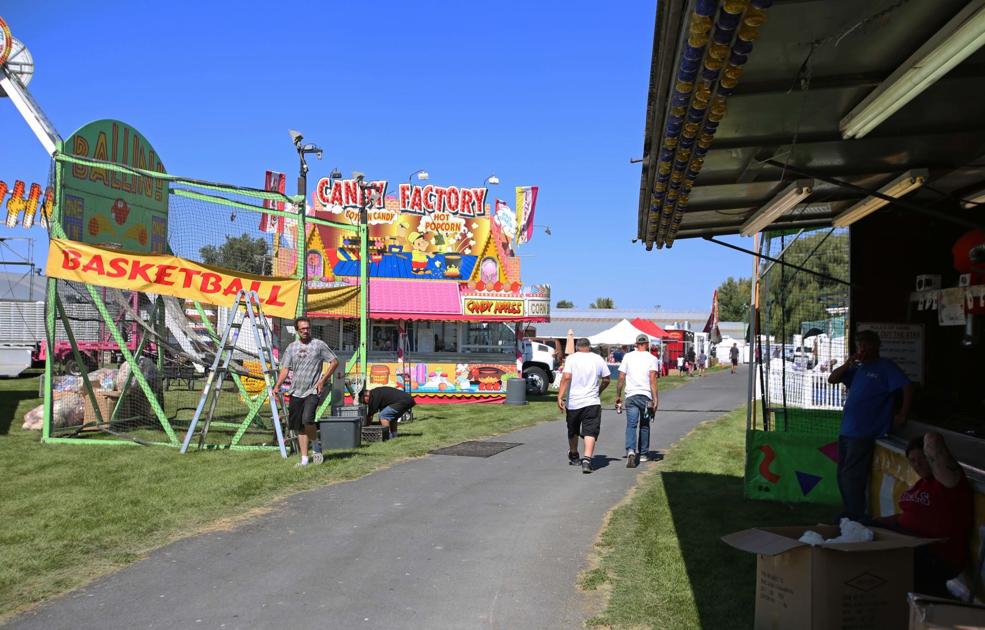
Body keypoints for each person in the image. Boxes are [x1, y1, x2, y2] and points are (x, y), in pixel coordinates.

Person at [827, 329, 913, 521]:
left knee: (852, 476)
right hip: (847, 430)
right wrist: (848, 363)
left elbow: (907, 387)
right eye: (860, 345)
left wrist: (902, 413)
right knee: (843, 474)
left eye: (866, 345)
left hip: (864, 431)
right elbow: (832, 379)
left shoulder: (885, 367)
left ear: (876, 346)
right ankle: (849, 512)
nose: (863, 349)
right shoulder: (857, 368)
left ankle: (855, 515)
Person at [877, 432, 973, 597]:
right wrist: (877, 522)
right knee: (853, 521)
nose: (918, 465)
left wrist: (927, 438)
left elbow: (933, 440)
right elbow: (907, 516)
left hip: (937, 554)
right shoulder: (920, 484)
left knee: (892, 560)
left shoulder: (948, 481)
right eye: (913, 461)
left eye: (922, 458)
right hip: (912, 542)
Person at [274, 317, 339, 467]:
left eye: (307, 328)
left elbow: (334, 361)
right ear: (297, 331)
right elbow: (285, 369)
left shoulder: (318, 345)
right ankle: (304, 459)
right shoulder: (291, 347)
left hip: (313, 390)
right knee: (299, 427)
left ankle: (315, 445)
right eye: (302, 329)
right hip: (296, 391)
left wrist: (322, 380)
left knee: (308, 420)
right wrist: (277, 385)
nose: (305, 331)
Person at [557, 338, 610, 474]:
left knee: (573, 429)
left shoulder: (572, 358)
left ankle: (574, 454)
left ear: (577, 347)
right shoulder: (598, 359)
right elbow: (606, 379)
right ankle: (587, 460)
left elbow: (566, 377)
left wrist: (560, 396)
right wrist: (599, 390)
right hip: (592, 401)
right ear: (589, 347)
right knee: (590, 431)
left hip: (574, 402)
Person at [615, 334, 660, 468]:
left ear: (636, 344)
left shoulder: (628, 357)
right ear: (647, 344)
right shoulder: (652, 358)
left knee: (631, 424)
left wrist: (618, 395)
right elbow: (652, 380)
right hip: (646, 396)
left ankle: (630, 450)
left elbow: (621, 377)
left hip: (631, 396)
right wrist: (655, 399)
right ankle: (644, 453)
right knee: (645, 425)